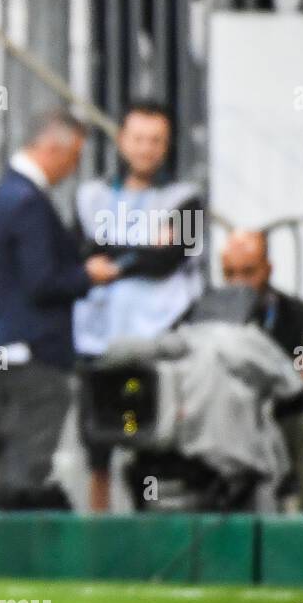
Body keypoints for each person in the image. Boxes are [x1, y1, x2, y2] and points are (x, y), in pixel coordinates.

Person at [0, 109, 119, 507]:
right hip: (34, 346)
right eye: (74, 156)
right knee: (31, 456)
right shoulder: (27, 200)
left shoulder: (5, 193)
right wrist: (88, 275)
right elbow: (41, 282)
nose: (74, 167)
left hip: (9, 343)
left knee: (20, 448)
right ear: (53, 148)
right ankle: (16, 549)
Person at [73, 99, 204, 511]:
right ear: (122, 141)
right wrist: (142, 249)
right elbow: (81, 250)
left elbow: (170, 258)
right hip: (98, 335)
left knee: (156, 434)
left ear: (167, 146)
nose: (146, 148)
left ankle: (150, 523)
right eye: (139, 139)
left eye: (156, 140)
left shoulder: (187, 197)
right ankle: (98, 530)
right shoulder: (90, 195)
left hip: (157, 337)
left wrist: (113, 259)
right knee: (97, 439)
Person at [221, 230, 303, 511]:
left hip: (283, 423)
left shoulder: (302, 318)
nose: (238, 283)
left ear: (268, 269)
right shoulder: (205, 317)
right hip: (224, 428)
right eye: (229, 274)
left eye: (248, 272)